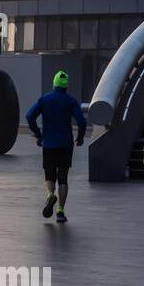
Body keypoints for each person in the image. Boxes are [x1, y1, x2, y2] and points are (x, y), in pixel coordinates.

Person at [26, 71, 86, 224]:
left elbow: (29, 116)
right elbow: (81, 121)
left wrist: (38, 134)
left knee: (49, 175)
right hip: (66, 144)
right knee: (63, 178)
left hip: (49, 143)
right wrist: (80, 137)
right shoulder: (71, 101)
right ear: (66, 86)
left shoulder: (45, 100)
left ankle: (50, 195)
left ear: (54, 84)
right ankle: (60, 211)